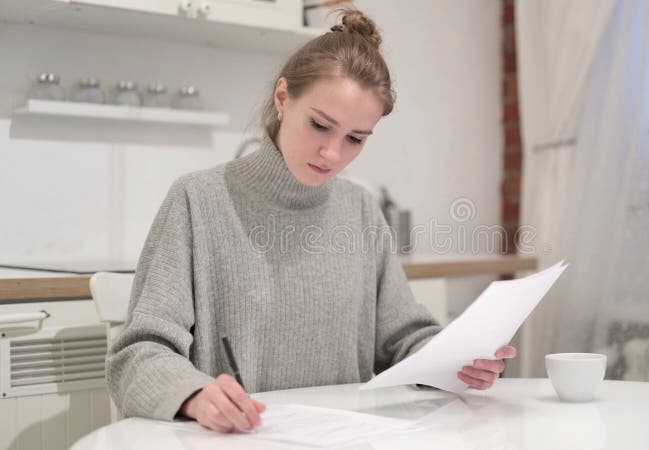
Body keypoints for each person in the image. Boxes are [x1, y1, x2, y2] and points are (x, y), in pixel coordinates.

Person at [106, 7, 516, 433]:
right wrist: (193, 394)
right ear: (283, 98)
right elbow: (138, 355)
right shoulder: (198, 200)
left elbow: (403, 340)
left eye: (355, 138)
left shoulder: (360, 209)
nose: (333, 154)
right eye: (320, 125)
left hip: (349, 438)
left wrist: (457, 360)